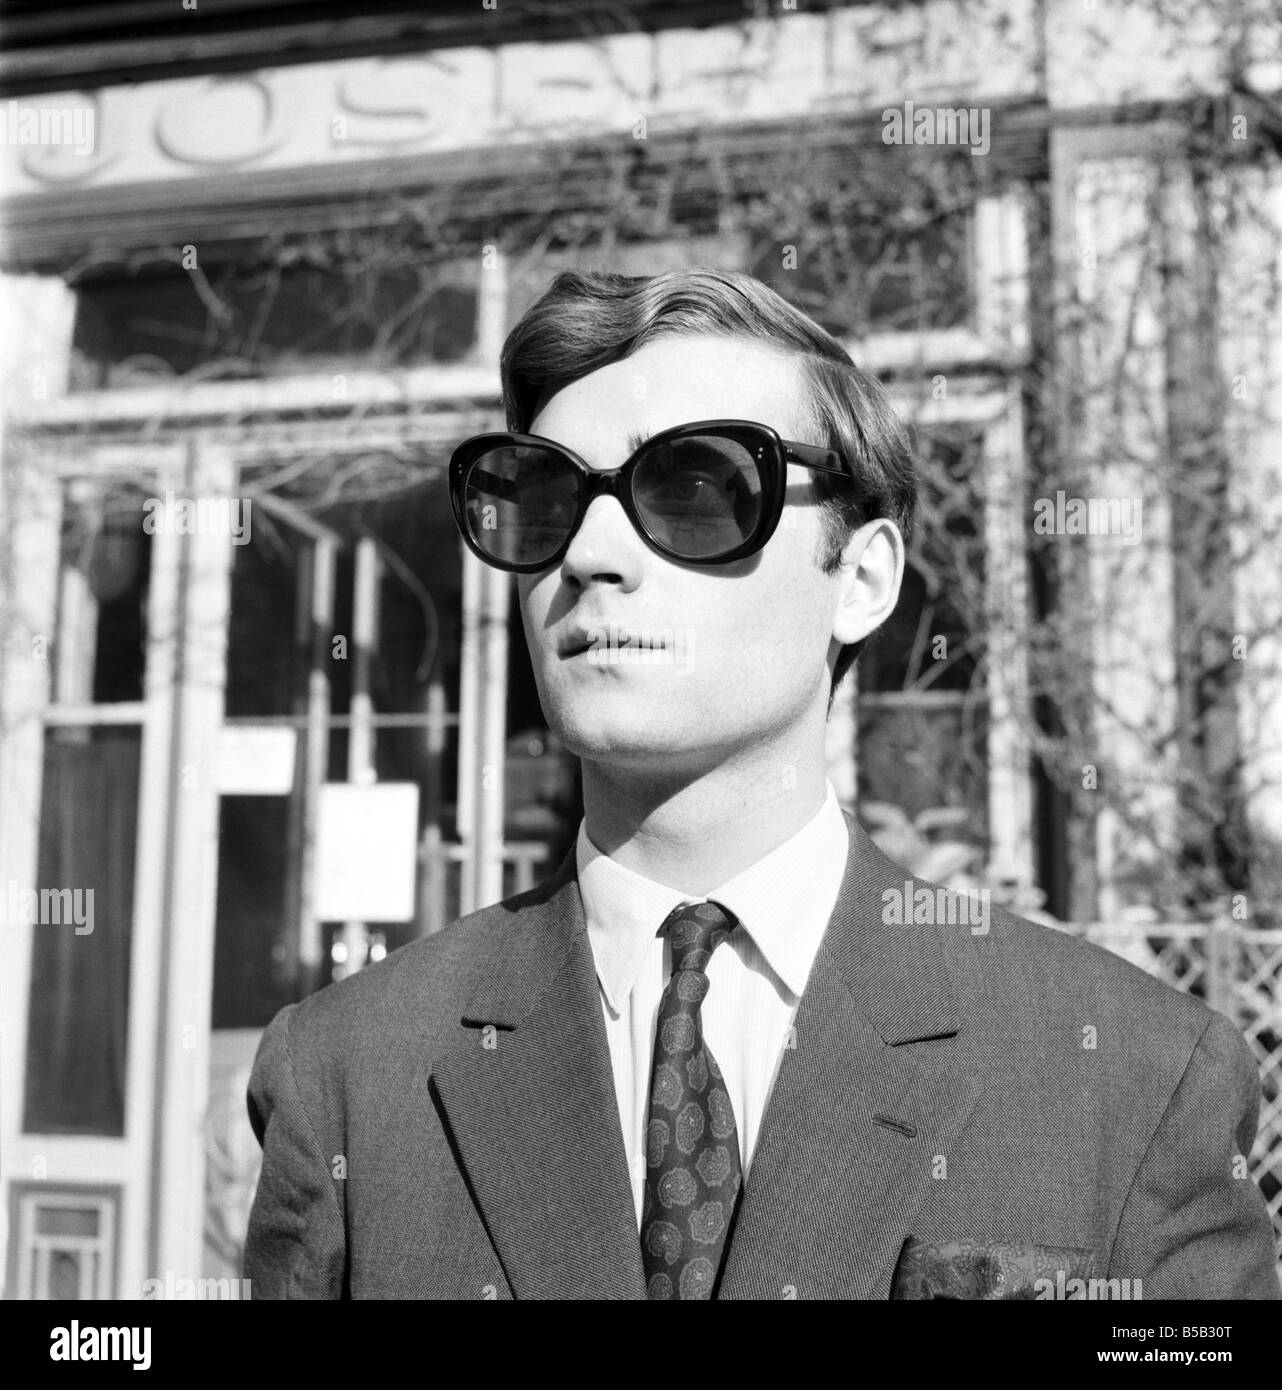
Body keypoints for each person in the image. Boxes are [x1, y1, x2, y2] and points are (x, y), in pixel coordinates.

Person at [243, 267, 1279, 1299]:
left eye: (695, 488)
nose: (593, 553)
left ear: (862, 578)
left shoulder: (1132, 1078)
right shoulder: (347, 1077)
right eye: (547, 498)